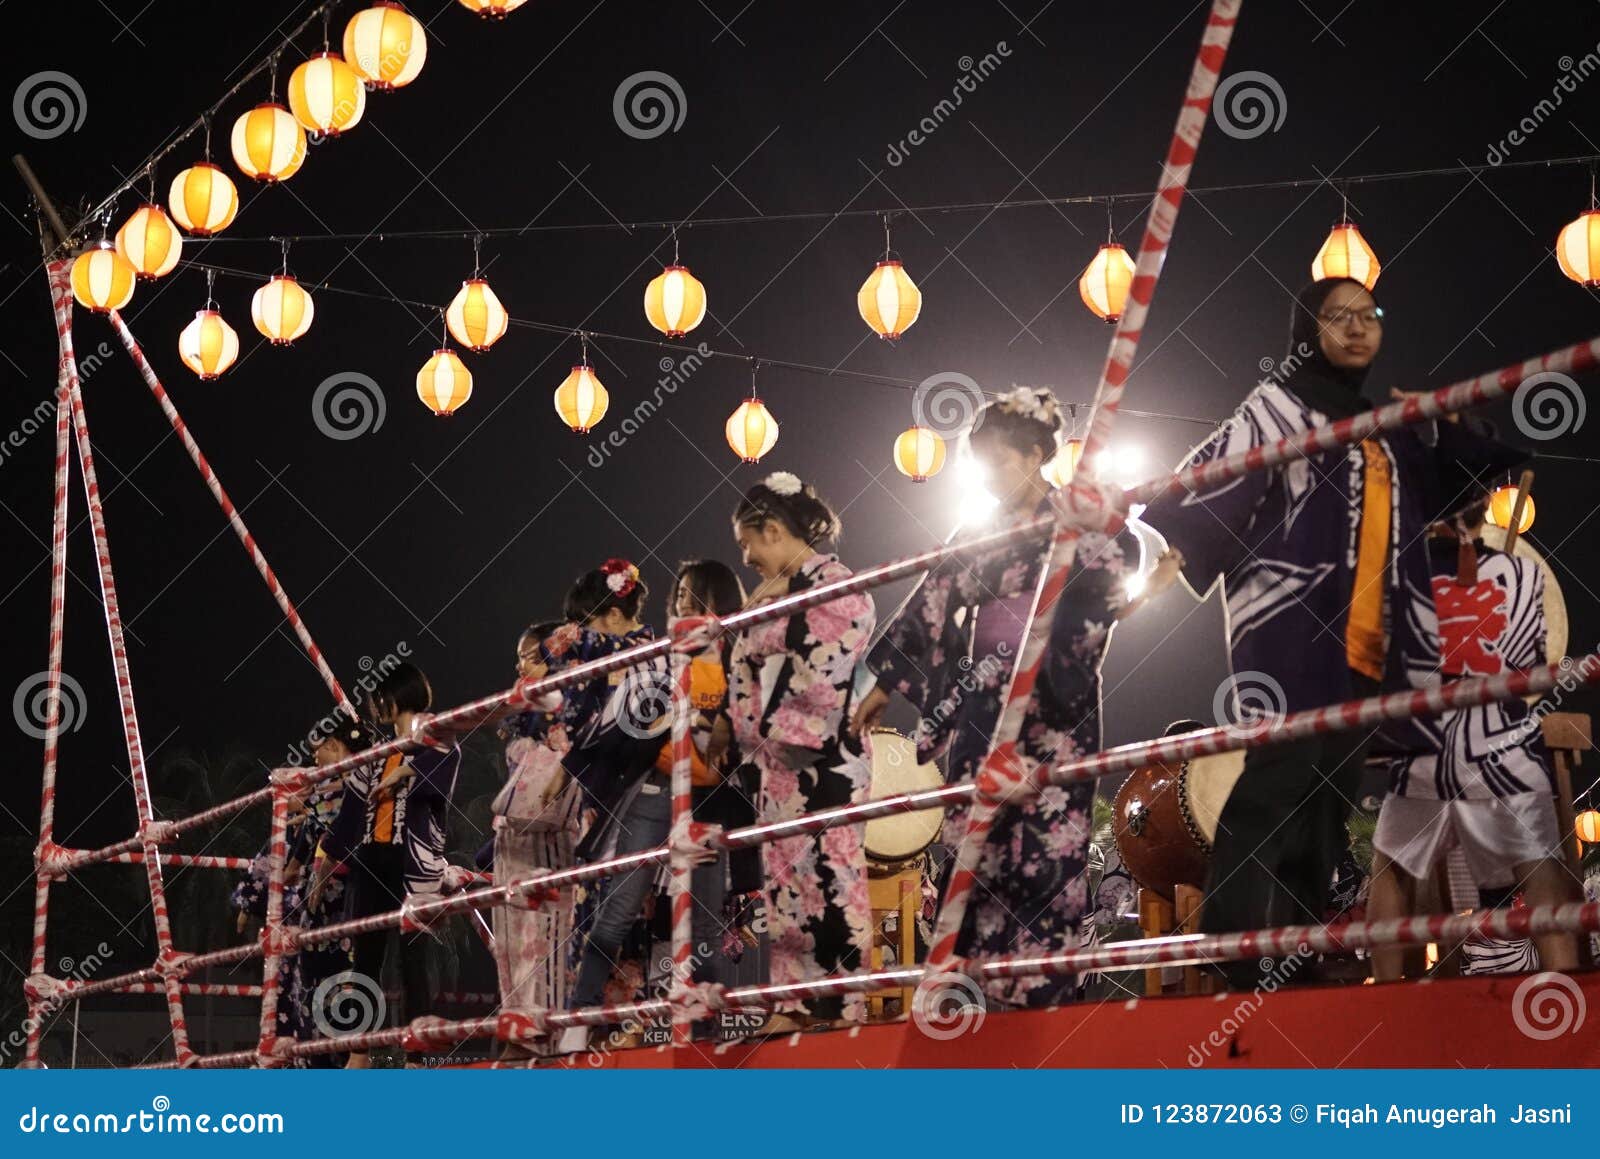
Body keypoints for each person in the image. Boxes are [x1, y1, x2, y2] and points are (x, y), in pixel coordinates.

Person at [1143, 277, 1524, 986]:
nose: (1356, 329)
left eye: (1368, 316)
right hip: (1293, 629)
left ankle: (1289, 955)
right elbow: (1202, 490)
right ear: (1305, 331)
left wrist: (1438, 420)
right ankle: (1231, 943)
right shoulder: (1277, 407)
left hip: (1372, 636)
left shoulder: (1383, 425)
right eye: (1337, 317)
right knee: (1277, 780)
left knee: (1326, 799)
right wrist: (1165, 559)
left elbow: (1465, 473)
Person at [852, 386, 1174, 1006]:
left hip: (1056, 709)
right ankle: (968, 1000)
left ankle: (1039, 1008)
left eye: (998, 462)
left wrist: (1102, 539)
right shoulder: (984, 532)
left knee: (1046, 861)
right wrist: (886, 681)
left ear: (1033, 456)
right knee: (973, 855)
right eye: (982, 468)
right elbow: (934, 598)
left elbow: (1107, 591)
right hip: (984, 707)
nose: (991, 478)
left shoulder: (1076, 522)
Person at [1367, 500, 1581, 980]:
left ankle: (1383, 995)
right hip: (1502, 745)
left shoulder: (1397, 579)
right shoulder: (1524, 574)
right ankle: (1566, 987)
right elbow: (1533, 671)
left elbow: (1381, 663)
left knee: (1393, 867)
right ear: (1483, 510)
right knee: (1540, 865)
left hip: (1426, 747)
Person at [727, 471, 876, 1030]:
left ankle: (840, 1003)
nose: (746, 558)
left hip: (825, 752)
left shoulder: (836, 582)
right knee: (785, 882)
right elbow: (743, 664)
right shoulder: (772, 595)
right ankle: (791, 1001)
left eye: (747, 543)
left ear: (770, 530)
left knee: (832, 875)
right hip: (775, 759)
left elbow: (828, 658)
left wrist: (783, 728)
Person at [313, 662, 461, 1066]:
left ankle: (416, 1056)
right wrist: (321, 870)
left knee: (413, 957)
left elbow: (445, 766)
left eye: (380, 699)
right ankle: (359, 1054)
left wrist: (404, 774)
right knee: (366, 957)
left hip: (414, 862)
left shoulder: (437, 739)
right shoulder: (376, 754)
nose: (376, 707)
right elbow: (347, 819)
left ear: (394, 698)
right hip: (372, 861)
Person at [556, 560, 674, 1052]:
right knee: (602, 915)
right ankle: (593, 1025)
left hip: (653, 790)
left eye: (589, 622)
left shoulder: (654, 655)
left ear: (608, 616)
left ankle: (647, 1026)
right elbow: (580, 727)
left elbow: (593, 727)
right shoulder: (607, 657)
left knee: (650, 915)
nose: (586, 632)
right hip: (608, 800)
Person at [236, 710, 373, 1067]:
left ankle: (340, 1058)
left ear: (334, 746)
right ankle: (307, 1059)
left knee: (343, 979)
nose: (314, 760)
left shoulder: (358, 788)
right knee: (309, 981)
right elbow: (290, 848)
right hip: (313, 904)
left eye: (319, 751)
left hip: (347, 896)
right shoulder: (324, 794)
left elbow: (332, 839)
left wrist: (306, 863)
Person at [656, 560, 760, 1009]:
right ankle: (693, 1020)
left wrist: (702, 722)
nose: (682, 603)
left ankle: (714, 1025)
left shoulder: (741, 653)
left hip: (723, 797)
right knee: (666, 921)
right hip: (669, 796)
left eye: (692, 596)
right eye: (679, 595)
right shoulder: (664, 657)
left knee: (708, 923)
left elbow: (750, 725)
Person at [487, 620, 582, 1058]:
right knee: (509, 939)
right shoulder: (522, 711)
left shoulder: (571, 708)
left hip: (550, 834)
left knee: (543, 935)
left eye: (530, 656)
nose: (520, 665)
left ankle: (543, 1038)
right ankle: (516, 1026)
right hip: (511, 837)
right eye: (519, 658)